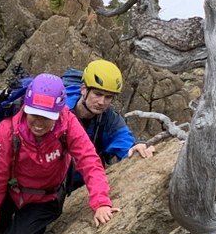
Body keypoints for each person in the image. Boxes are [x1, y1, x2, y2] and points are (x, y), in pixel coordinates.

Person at [0, 74, 113, 234]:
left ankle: (25, 232)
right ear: (25, 108)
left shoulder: (68, 125)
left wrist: (101, 202)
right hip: (14, 191)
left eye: (47, 117)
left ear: (58, 113)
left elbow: (89, 161)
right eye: (35, 114)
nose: (39, 123)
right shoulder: (8, 130)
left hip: (46, 198)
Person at [62, 59, 156, 192]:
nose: (102, 102)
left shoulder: (108, 119)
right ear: (84, 89)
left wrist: (136, 147)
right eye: (98, 94)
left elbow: (124, 141)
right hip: (51, 183)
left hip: (82, 184)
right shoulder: (59, 111)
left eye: (108, 97)